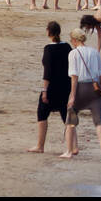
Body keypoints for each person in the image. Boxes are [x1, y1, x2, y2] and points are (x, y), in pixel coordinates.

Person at [62, 28, 101, 161]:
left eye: (71, 40)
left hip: (81, 88)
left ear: (75, 40)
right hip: (95, 89)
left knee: (71, 120)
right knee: (99, 121)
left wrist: (72, 95)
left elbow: (74, 76)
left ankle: (69, 151)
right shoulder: (95, 52)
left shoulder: (73, 53)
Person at [28, 22, 72, 153]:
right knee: (67, 117)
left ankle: (40, 146)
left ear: (48, 32)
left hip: (52, 87)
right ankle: (73, 146)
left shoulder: (48, 49)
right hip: (66, 87)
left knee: (42, 113)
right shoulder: (67, 47)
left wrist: (44, 91)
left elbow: (47, 72)